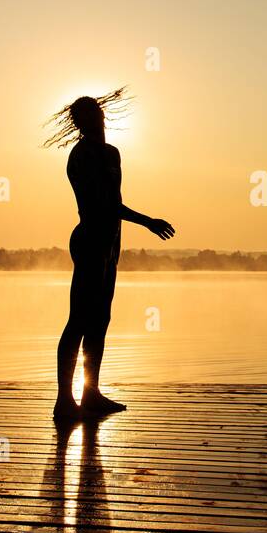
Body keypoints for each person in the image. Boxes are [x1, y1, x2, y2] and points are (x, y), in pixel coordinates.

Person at [42, 90, 174, 425]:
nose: (95, 122)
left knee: (100, 320)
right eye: (86, 118)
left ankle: (91, 393)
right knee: (78, 321)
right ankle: (63, 401)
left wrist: (119, 241)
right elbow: (103, 204)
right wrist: (148, 221)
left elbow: (115, 200)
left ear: (103, 116)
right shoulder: (82, 156)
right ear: (79, 124)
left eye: (97, 115)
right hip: (88, 241)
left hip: (110, 244)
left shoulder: (112, 153)